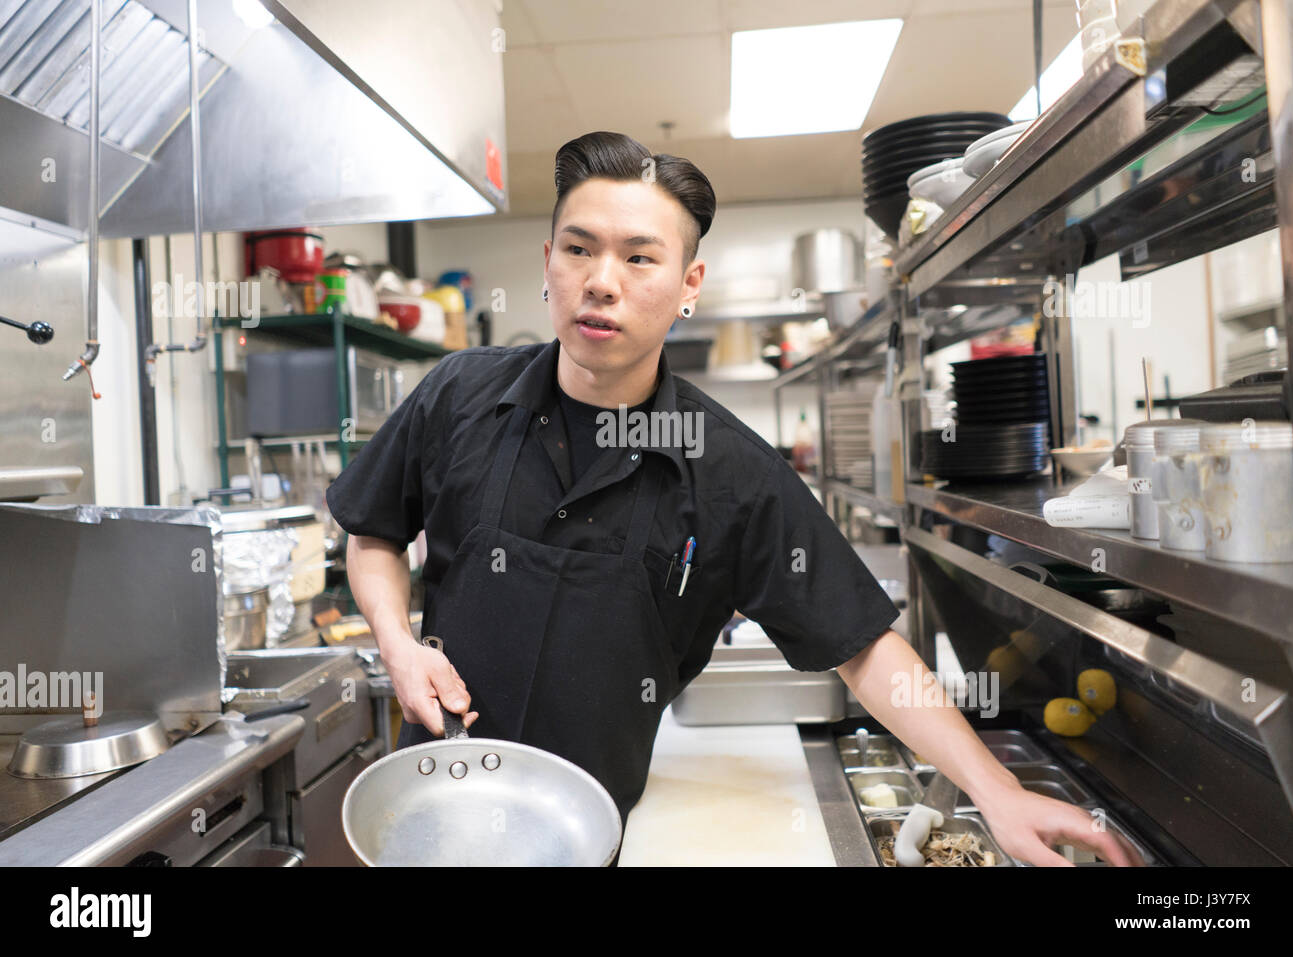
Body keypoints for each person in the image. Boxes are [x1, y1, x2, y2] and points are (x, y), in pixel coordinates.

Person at [326, 130, 1140, 866]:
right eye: (579, 248)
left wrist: (994, 787)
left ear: (689, 283)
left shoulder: (731, 472)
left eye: (640, 258)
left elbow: (860, 643)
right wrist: (397, 643)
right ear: (548, 263)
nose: (601, 281)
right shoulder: (458, 395)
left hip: (602, 835)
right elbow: (372, 532)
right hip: (434, 807)